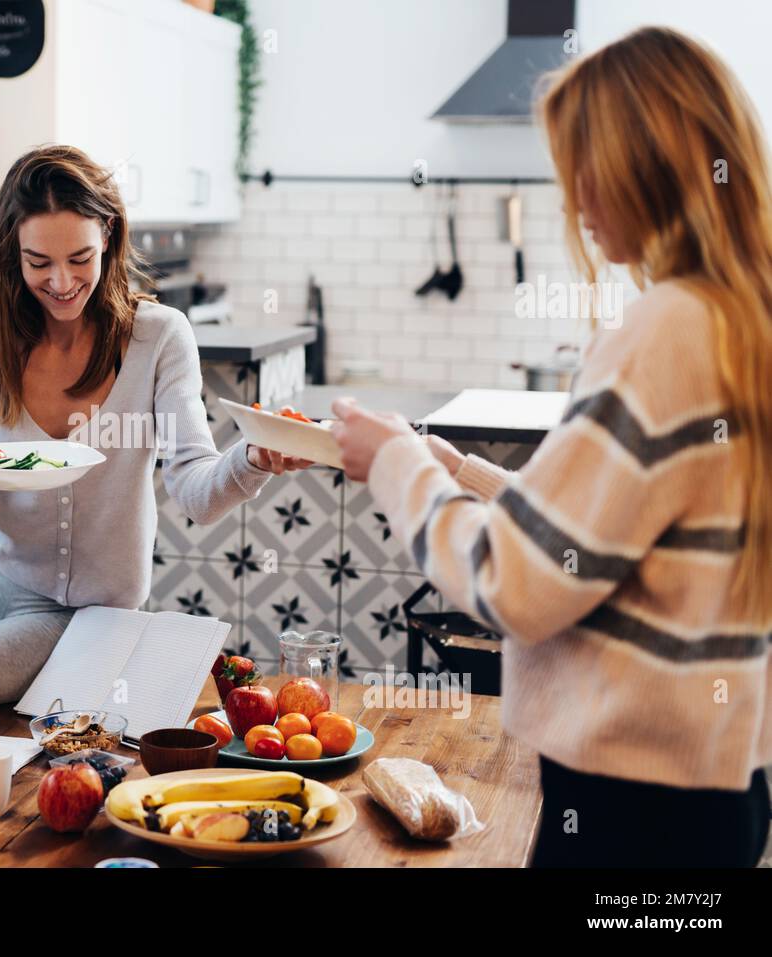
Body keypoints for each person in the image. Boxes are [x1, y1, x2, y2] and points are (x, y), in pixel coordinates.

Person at [328, 27, 772, 867]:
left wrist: (397, 465)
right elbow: (603, 536)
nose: (574, 198)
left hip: (632, 813)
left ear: (644, 162)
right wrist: (451, 466)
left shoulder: (667, 331)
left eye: (583, 164)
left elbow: (521, 582)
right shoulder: (740, 317)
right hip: (712, 789)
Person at [0, 145, 309, 704]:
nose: (61, 281)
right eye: (38, 263)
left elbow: (196, 490)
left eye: (79, 258)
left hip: (89, 613)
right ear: (12, 254)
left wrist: (251, 460)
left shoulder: (158, 338)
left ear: (108, 234)